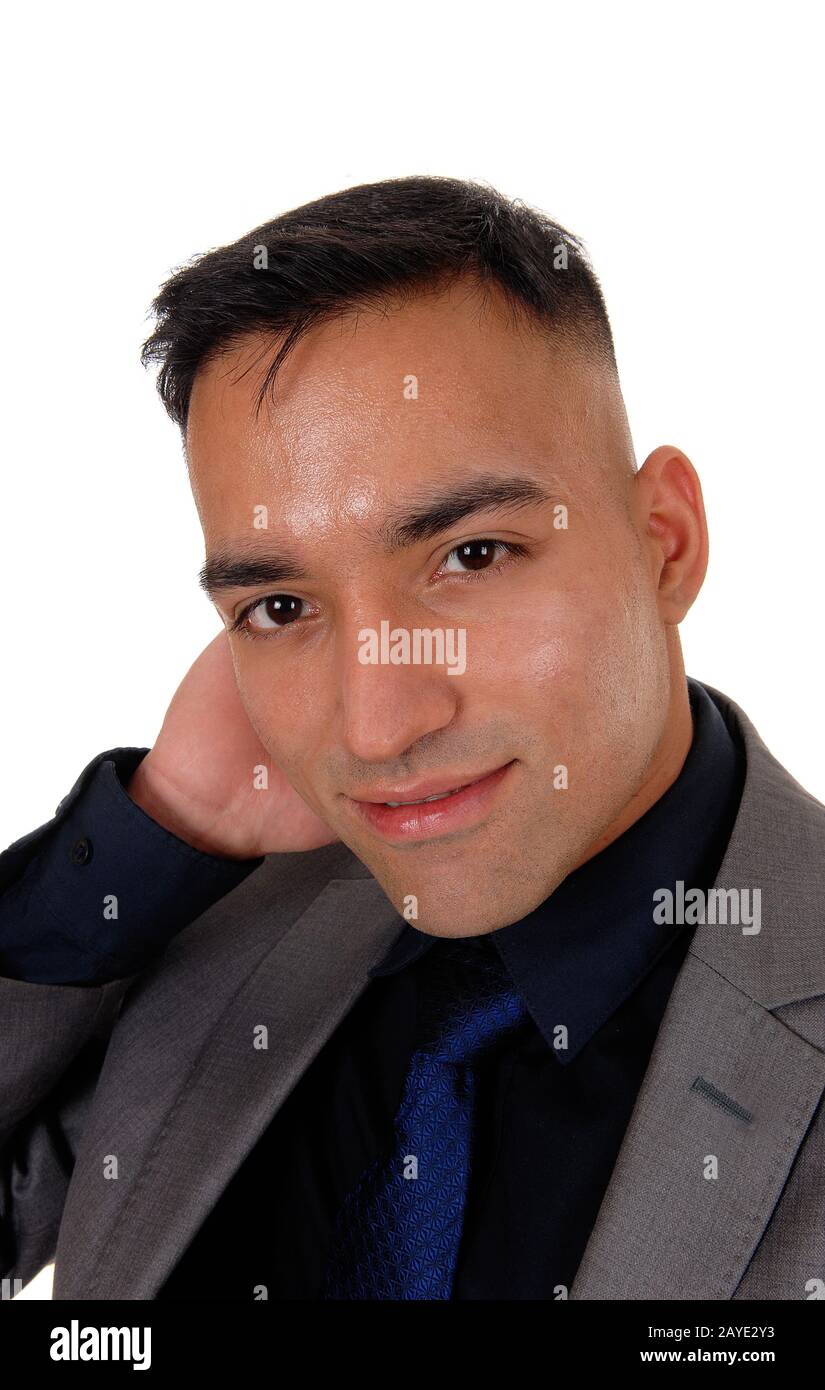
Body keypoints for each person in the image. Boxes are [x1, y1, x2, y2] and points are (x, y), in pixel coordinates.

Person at [2, 175, 824, 1302]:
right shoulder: (209, 919)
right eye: (280, 608)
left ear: (664, 545)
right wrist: (154, 833)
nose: (377, 724)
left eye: (471, 556)